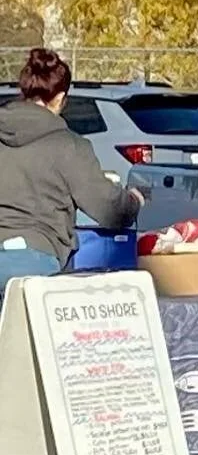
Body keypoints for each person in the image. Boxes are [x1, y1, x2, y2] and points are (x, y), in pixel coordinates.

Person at [0, 49, 142, 281]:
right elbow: (109, 208)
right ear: (59, 98)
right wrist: (133, 201)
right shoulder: (69, 146)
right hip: (37, 257)